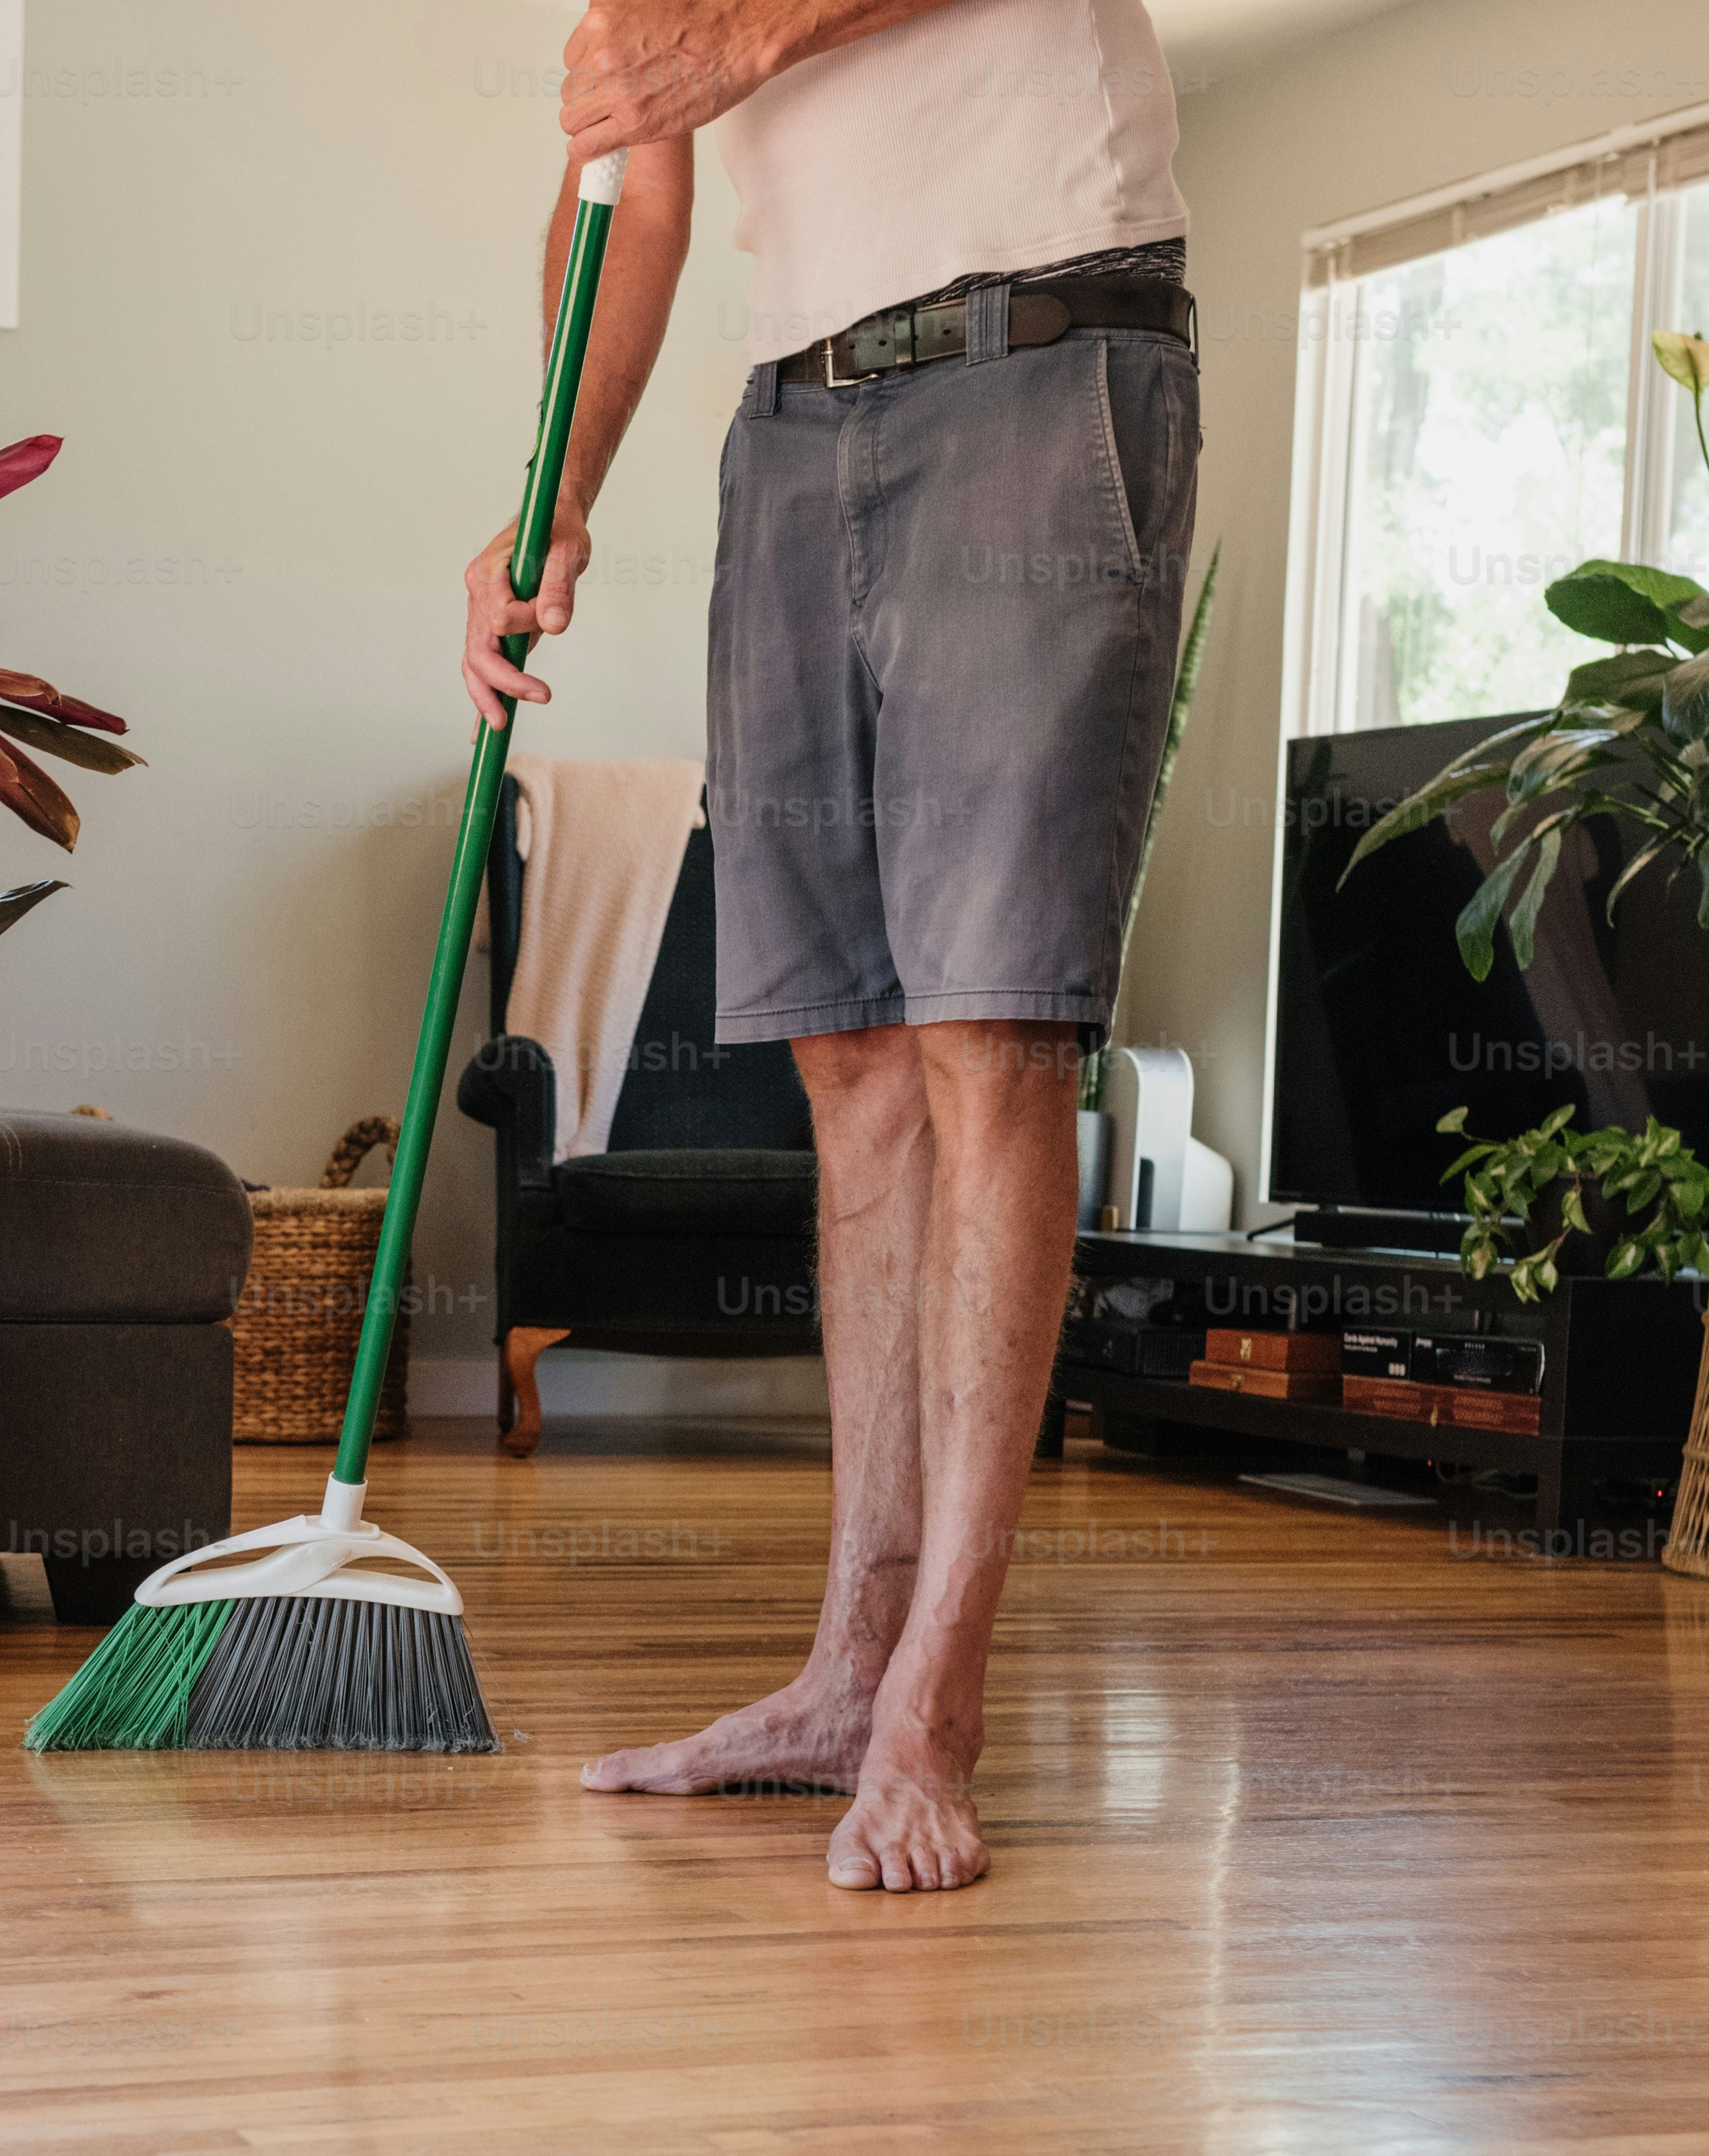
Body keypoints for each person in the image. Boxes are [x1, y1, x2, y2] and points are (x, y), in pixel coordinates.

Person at [470, 0, 1196, 1893]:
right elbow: (631, 191)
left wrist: (744, 33)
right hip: (792, 424)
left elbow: (710, 59)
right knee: (852, 1064)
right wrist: (547, 502)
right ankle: (838, 1679)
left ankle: (934, 1708)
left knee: (988, 1034)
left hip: (1039, 345)